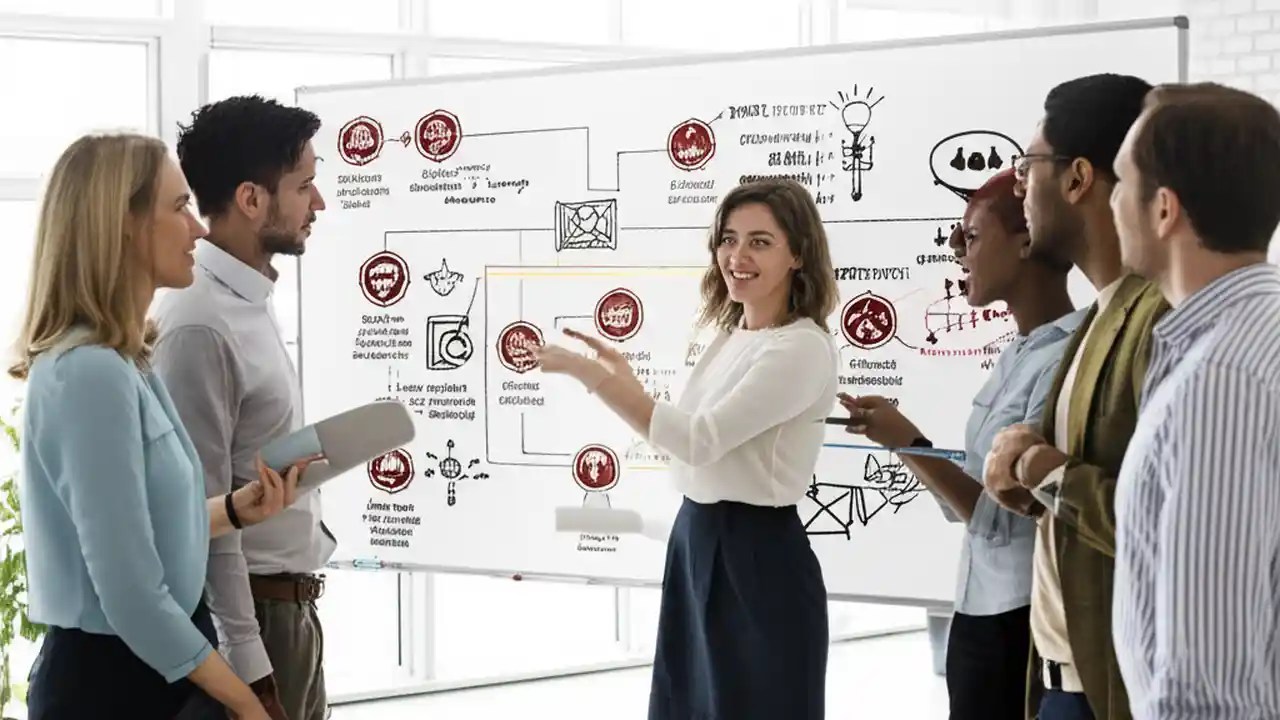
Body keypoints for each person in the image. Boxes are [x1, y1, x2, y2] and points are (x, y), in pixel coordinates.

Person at [9, 132, 313, 720]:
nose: (198, 229)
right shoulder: (90, 373)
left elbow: (137, 532)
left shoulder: (125, 363)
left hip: (148, 671)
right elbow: (130, 593)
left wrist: (235, 510)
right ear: (121, 223)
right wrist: (246, 703)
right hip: (114, 684)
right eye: (178, 207)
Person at [535, 179, 839, 719]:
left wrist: (592, 378)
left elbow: (698, 441)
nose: (737, 256)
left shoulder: (801, 348)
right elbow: (690, 432)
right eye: (728, 238)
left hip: (756, 554)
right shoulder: (731, 335)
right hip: (697, 538)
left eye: (760, 242)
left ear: (798, 253)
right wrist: (622, 378)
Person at [839, 167, 1083, 720]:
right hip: (978, 612)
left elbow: (1003, 516)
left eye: (970, 236)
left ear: (1025, 242)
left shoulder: (1066, 357)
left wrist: (908, 444)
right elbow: (977, 498)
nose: (957, 251)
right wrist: (908, 442)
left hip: (1019, 624)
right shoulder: (1020, 351)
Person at [982, 73, 1169, 720]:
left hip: (1114, 691)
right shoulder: (1097, 316)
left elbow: (1165, 526)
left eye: (1028, 164)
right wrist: (1037, 482)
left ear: (1078, 177)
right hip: (1062, 680)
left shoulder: (1161, 320)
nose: (1018, 185)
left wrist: (1038, 468)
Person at [149, 95, 331, 720]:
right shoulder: (199, 319)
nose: (320, 203)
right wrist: (252, 670)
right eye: (304, 186)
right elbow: (200, 513)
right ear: (252, 200)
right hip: (252, 618)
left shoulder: (246, 298)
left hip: (288, 609)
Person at [1109, 82, 1280, 719]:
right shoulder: (1245, 340)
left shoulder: (1222, 379)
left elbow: (1208, 684)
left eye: (1122, 182)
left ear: (1163, 210)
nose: (1111, 201)